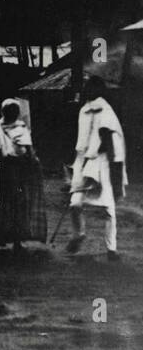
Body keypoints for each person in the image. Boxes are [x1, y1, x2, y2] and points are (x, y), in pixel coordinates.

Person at [67, 77, 125, 261]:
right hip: (83, 160)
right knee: (75, 203)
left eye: (90, 87)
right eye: (86, 87)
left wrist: (115, 172)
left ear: (98, 90)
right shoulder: (84, 110)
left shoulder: (106, 111)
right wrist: (80, 160)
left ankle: (112, 249)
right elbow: (81, 140)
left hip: (102, 163)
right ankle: (79, 234)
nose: (86, 90)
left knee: (108, 208)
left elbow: (109, 142)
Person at [0, 99, 46, 251]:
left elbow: (29, 149)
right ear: (4, 112)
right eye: (9, 111)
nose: (12, 114)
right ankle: (3, 237)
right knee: (6, 205)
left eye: (14, 111)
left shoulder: (21, 127)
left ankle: (18, 239)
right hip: (6, 170)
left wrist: (33, 162)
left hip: (21, 170)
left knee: (20, 205)